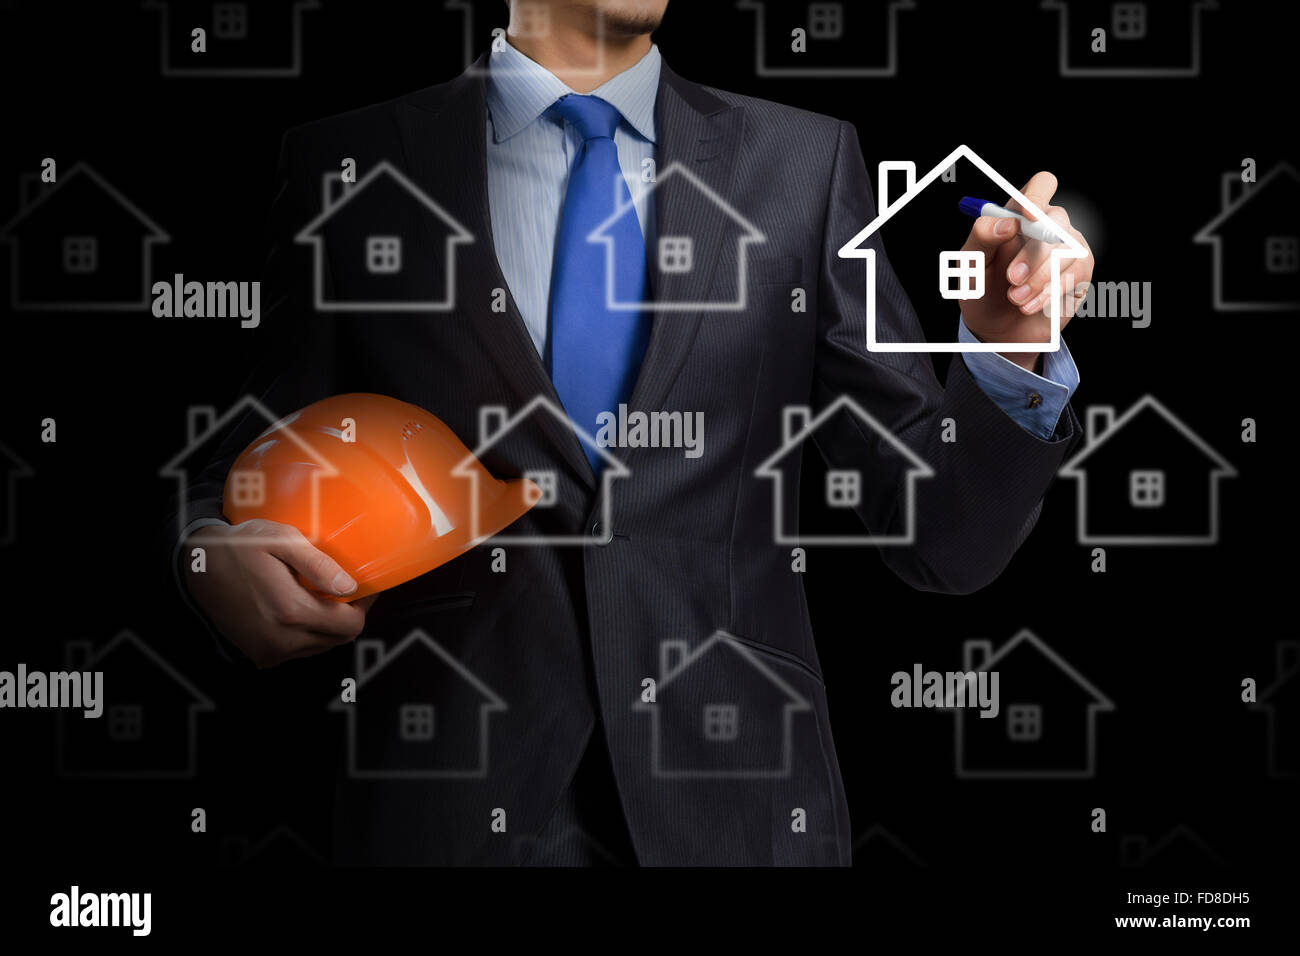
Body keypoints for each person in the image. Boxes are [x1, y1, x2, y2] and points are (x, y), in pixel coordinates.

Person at [175, 0, 1094, 865]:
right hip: (447, 803)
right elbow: (249, 453)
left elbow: (942, 537)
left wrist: (1004, 353)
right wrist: (208, 555)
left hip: (740, 805)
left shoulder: (803, 165)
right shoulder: (351, 158)